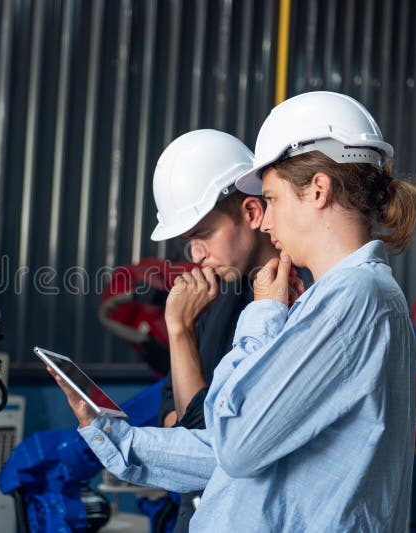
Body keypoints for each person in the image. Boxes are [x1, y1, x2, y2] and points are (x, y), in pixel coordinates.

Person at [50, 91, 416, 531]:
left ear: (318, 191)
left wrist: (264, 316)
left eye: (272, 199)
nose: (266, 221)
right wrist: (116, 438)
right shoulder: (332, 300)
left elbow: (237, 445)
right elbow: (229, 451)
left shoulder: (354, 301)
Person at [149, 129, 288, 531]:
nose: (195, 255)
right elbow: (171, 419)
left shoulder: (293, 300)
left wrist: (179, 331)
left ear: (251, 213)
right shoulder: (216, 293)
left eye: (203, 234)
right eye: (188, 241)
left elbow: (206, 446)